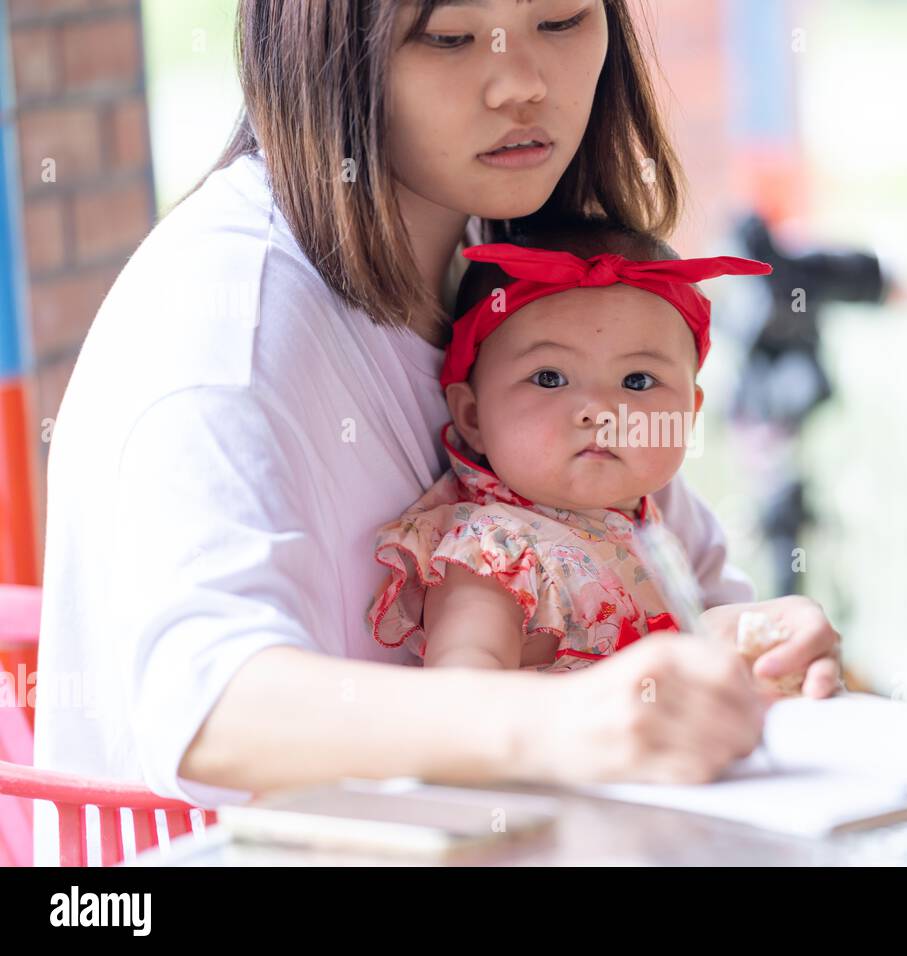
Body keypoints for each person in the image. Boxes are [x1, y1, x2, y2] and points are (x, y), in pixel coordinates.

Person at [32, 0, 841, 864]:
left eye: (564, 21)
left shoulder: (526, 272)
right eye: (452, 37)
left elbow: (661, 588)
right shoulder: (230, 312)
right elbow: (208, 709)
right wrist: (573, 717)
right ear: (328, 50)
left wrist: (740, 656)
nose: (523, 83)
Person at [368, 218, 781, 673]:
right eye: (549, 378)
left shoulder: (655, 533)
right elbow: (463, 703)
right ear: (472, 416)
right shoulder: (497, 556)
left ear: (688, 415)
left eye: (638, 381)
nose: (600, 410)